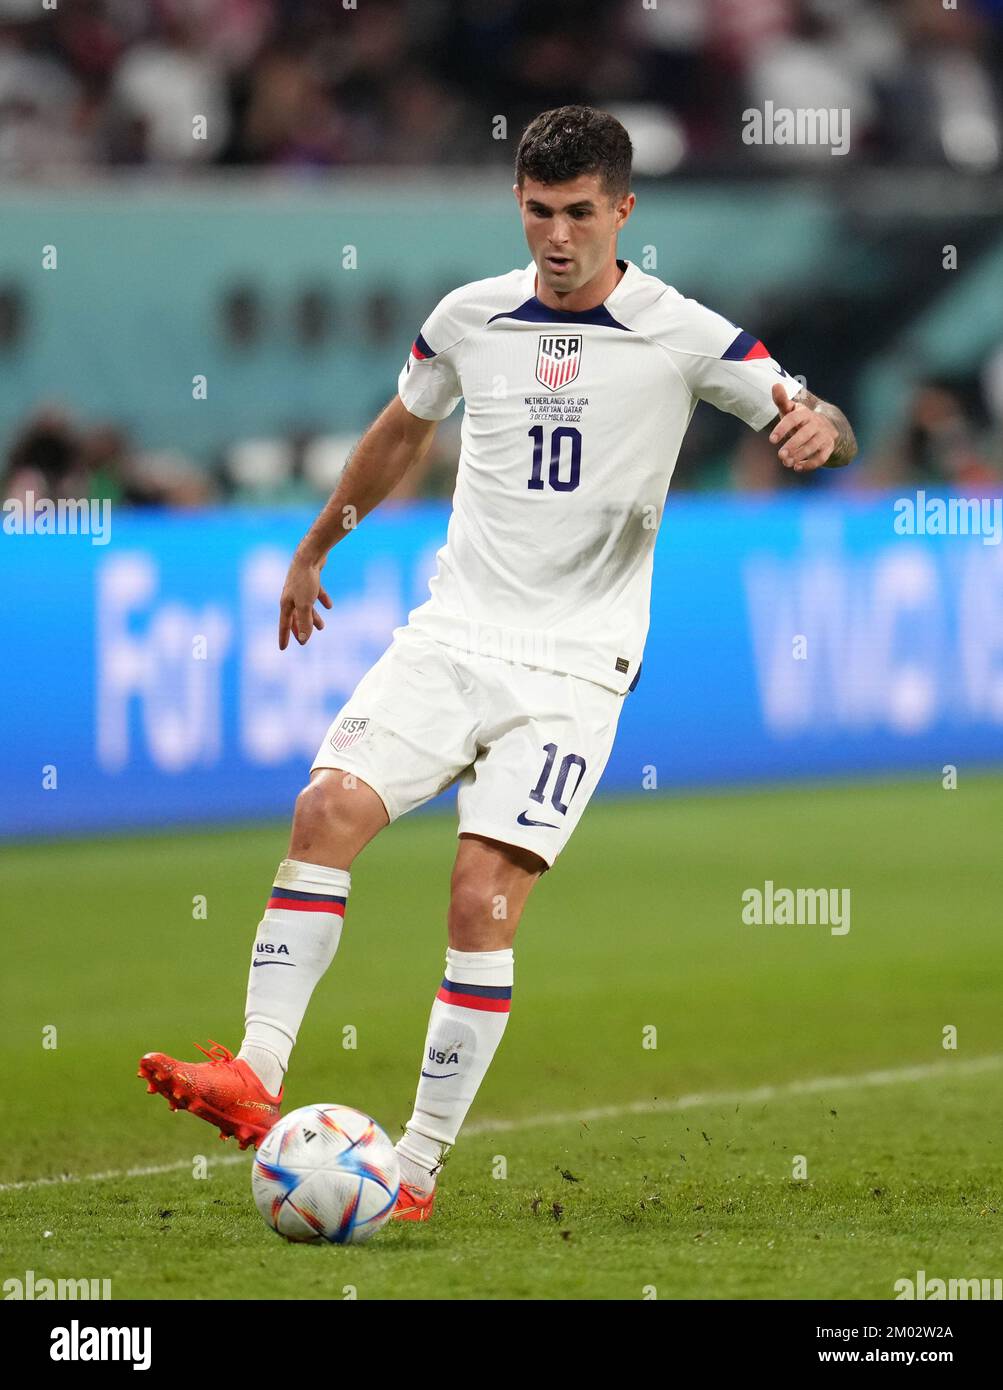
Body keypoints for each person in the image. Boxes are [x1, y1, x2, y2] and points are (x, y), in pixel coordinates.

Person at [139, 104, 857, 1222]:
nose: (558, 236)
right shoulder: (468, 318)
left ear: (624, 210)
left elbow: (813, 414)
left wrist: (815, 426)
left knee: (480, 899)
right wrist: (321, 537)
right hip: (452, 633)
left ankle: (413, 1168)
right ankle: (256, 1072)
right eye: (538, 212)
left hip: (573, 670)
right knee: (324, 808)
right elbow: (402, 427)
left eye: (579, 214)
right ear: (516, 206)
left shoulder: (684, 332)